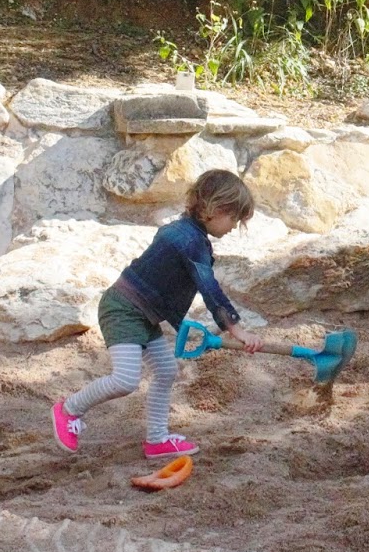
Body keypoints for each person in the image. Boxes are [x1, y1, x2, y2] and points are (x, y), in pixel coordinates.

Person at [51, 168, 261, 460]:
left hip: (143, 313)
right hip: (124, 309)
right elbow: (209, 288)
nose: (233, 227)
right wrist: (236, 330)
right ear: (218, 209)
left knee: (165, 371)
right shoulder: (189, 242)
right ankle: (68, 409)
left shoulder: (184, 231)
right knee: (125, 380)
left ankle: (157, 440)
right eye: (234, 219)